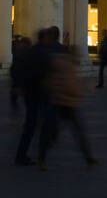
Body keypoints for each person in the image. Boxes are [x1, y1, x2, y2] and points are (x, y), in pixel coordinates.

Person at [38, 30, 97, 170]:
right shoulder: (60, 60)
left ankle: (88, 157)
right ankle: (42, 157)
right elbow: (55, 80)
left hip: (67, 101)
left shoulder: (66, 62)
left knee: (75, 130)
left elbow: (71, 82)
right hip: (60, 101)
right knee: (60, 130)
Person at [11, 33, 41, 164]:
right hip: (32, 92)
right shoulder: (27, 56)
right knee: (32, 123)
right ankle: (23, 155)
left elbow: (14, 71)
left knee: (32, 122)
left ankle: (23, 153)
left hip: (29, 92)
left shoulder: (21, 55)